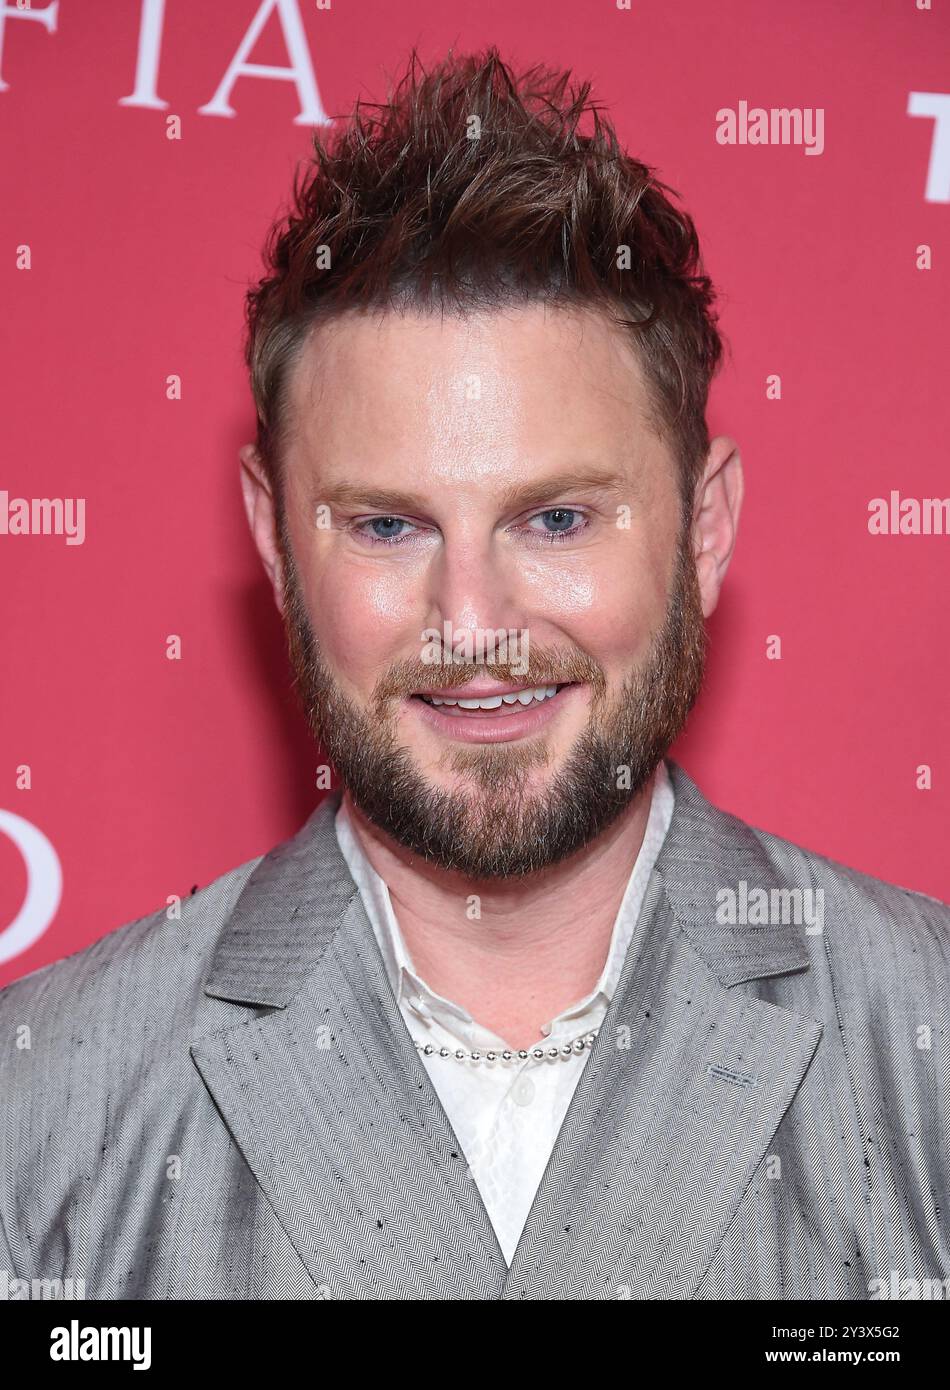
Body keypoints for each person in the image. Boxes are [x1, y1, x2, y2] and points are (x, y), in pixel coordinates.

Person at [1, 48, 948, 1302]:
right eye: (386, 526)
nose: (473, 622)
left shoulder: (922, 1049)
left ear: (704, 526)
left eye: (554, 519)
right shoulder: (43, 1107)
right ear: (275, 541)